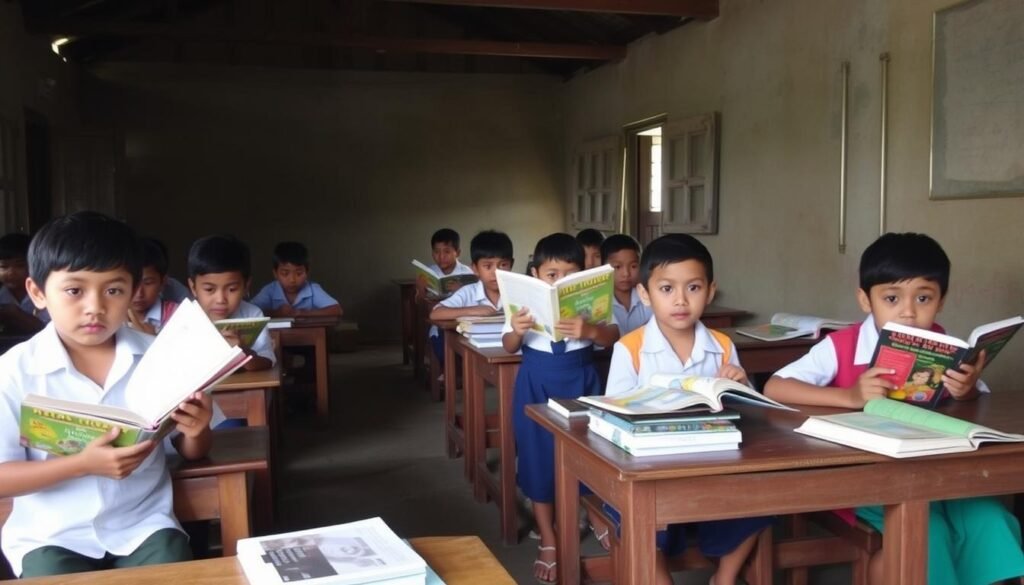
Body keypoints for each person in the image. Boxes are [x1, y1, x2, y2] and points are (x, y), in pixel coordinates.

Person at [765, 232, 1024, 585]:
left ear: (941, 301)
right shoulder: (842, 346)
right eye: (891, 298)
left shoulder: (943, 344)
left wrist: (965, 392)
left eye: (923, 298)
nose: (908, 312)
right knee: (927, 531)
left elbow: (979, 401)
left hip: (939, 472)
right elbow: (775, 386)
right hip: (864, 479)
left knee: (990, 519)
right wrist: (851, 396)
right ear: (865, 299)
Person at [0, 211, 217, 578]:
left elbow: (193, 451)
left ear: (133, 291)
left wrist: (198, 430)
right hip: (51, 536)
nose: (95, 307)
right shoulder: (13, 372)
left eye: (113, 290)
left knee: (172, 564)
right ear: (37, 292)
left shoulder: (161, 358)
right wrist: (81, 465)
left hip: (143, 527)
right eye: (74, 290)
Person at [602, 233, 772, 585]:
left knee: (761, 502)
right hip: (650, 472)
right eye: (666, 289)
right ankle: (659, 576)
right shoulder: (629, 348)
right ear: (645, 294)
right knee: (638, 519)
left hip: (712, 466)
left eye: (693, 288)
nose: (680, 300)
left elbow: (748, 412)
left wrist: (740, 385)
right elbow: (613, 415)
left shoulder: (722, 345)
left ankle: (724, 577)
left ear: (710, 291)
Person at [502, 232, 619, 585]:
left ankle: (594, 513)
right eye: (552, 274)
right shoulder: (521, 305)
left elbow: (612, 337)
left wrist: (590, 330)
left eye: (570, 274)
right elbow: (508, 346)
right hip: (536, 384)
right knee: (537, 458)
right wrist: (517, 330)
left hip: (582, 380)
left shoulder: (593, 303)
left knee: (591, 452)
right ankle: (549, 538)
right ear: (535, 274)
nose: (560, 281)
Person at [187, 234, 275, 372]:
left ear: (246, 286)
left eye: (232, 289)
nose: (220, 299)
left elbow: (267, 361)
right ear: (193, 288)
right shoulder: (184, 318)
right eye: (209, 289)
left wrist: (241, 352)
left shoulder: (252, 315)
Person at [430, 230, 513, 365]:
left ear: (511, 265)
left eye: (503, 265)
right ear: (475, 269)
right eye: (487, 266)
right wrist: (473, 310)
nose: (496, 272)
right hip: (473, 349)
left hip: (506, 349)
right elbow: (435, 314)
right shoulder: (469, 292)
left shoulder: (517, 292)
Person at [251, 241, 341, 318]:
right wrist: (277, 313)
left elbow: (337, 310)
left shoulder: (313, 289)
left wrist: (301, 313)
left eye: (299, 273)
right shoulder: (270, 290)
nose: (292, 280)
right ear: (275, 273)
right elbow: (250, 311)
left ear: (307, 272)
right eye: (285, 273)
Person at [127, 237, 180, 335]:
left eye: (148, 283)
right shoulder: (113, 315)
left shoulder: (178, 315)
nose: (139, 293)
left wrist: (151, 338)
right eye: (133, 283)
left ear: (162, 282)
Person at [600, 233, 651, 335]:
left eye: (633, 266)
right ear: (603, 268)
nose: (626, 274)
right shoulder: (600, 302)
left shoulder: (648, 298)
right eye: (617, 267)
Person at [0, 233, 46, 333]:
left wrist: (15, 313)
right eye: (4, 267)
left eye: (20, 265)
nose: (11, 272)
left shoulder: (44, 292)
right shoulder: (2, 294)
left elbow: (48, 329)